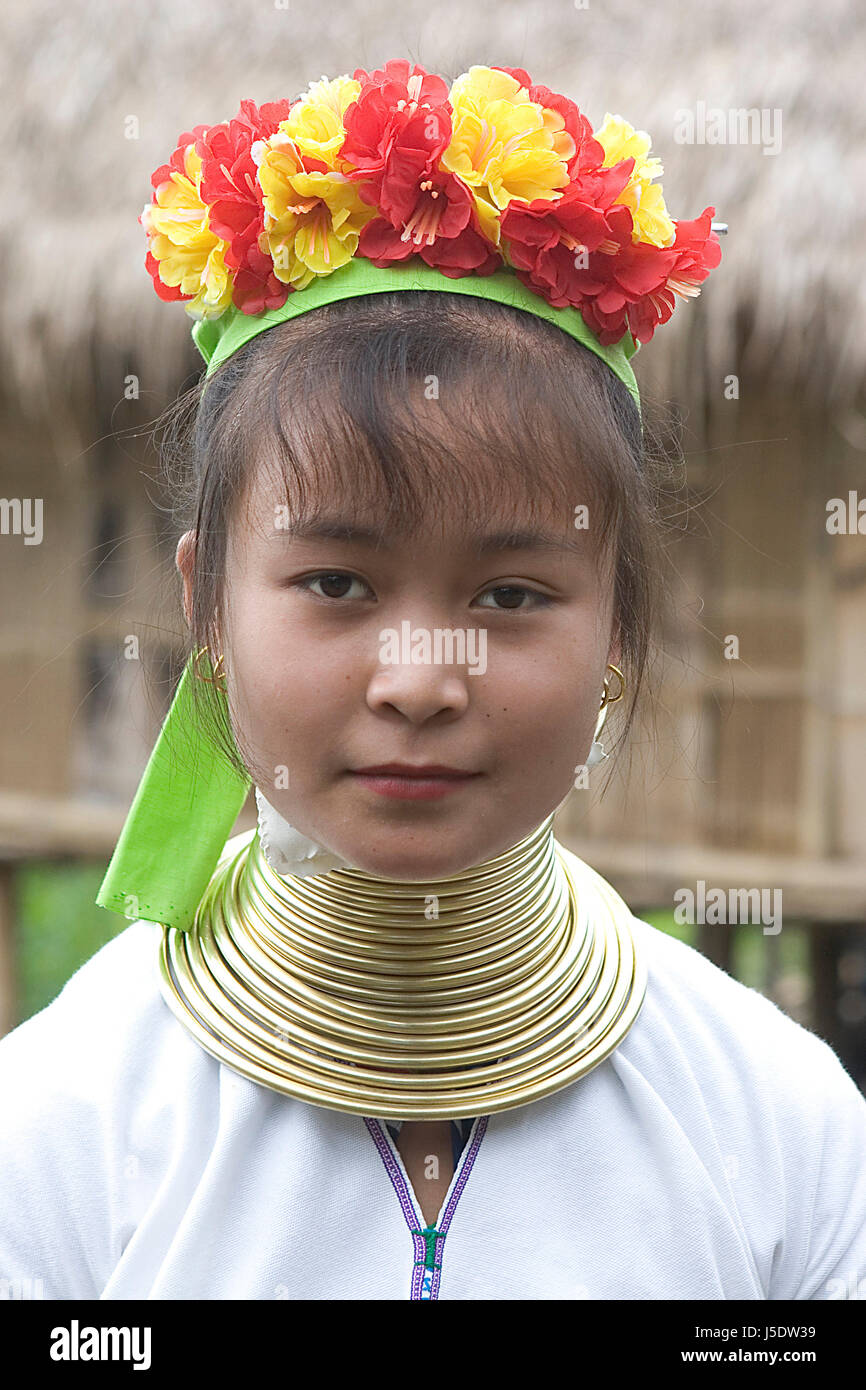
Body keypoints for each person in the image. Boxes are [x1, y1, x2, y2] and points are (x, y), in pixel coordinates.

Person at [1, 59, 864, 1302]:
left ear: (616, 627)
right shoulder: (59, 1130)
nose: (418, 680)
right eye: (337, 585)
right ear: (207, 608)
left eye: (508, 597)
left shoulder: (779, 1128)